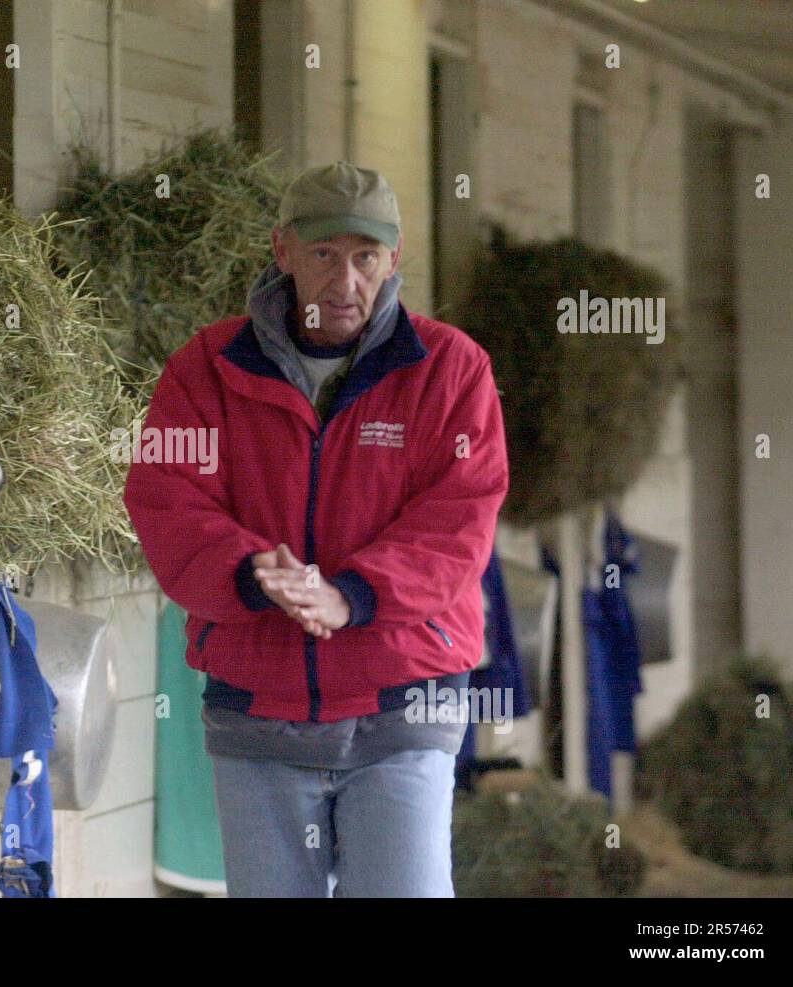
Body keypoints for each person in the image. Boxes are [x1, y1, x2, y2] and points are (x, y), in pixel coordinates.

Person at [124, 161, 509, 897]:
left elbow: (462, 513)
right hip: (255, 708)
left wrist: (353, 594)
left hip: (403, 699)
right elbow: (165, 494)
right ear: (282, 251)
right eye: (324, 255)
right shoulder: (205, 368)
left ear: (393, 260)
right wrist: (249, 573)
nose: (346, 281)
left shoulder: (452, 370)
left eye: (366, 257)